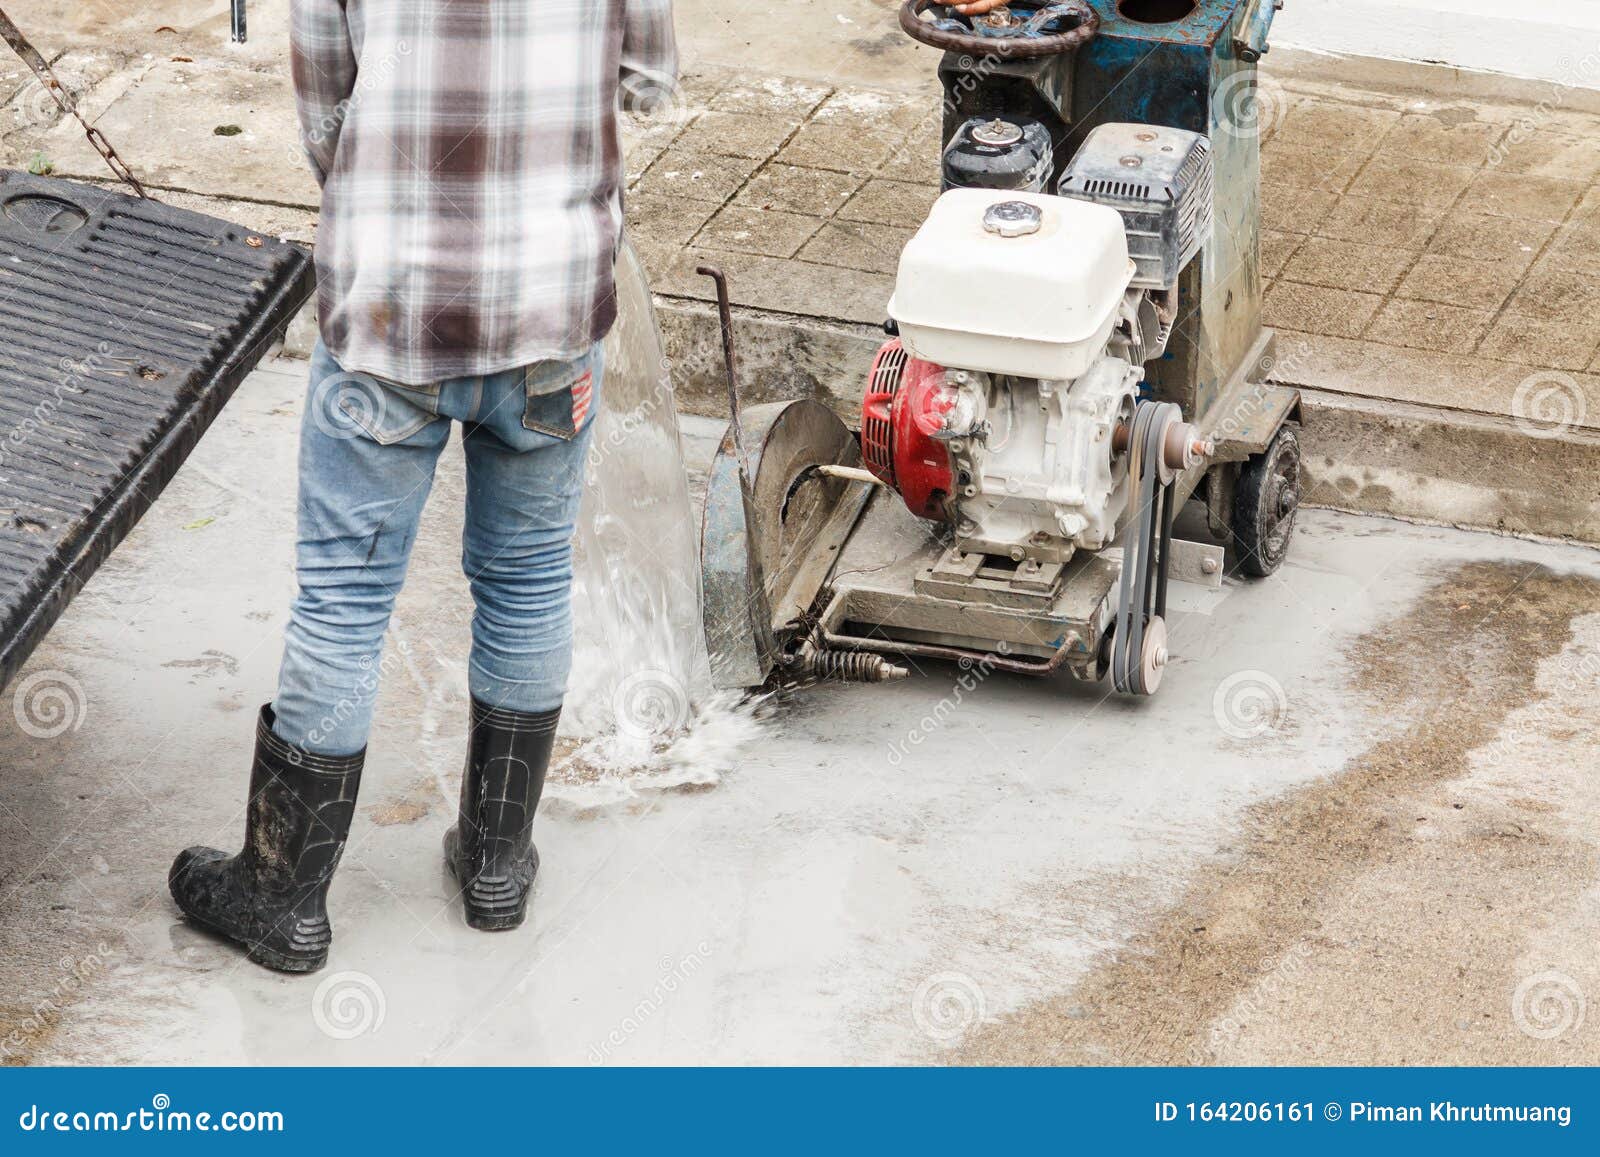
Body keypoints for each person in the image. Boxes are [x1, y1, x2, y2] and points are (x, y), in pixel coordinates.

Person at [168, 0, 677, 973]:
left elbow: (325, 112)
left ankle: (283, 899)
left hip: (391, 319)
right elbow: (645, 77)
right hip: (551, 318)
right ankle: (496, 863)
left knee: (345, 602)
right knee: (527, 578)